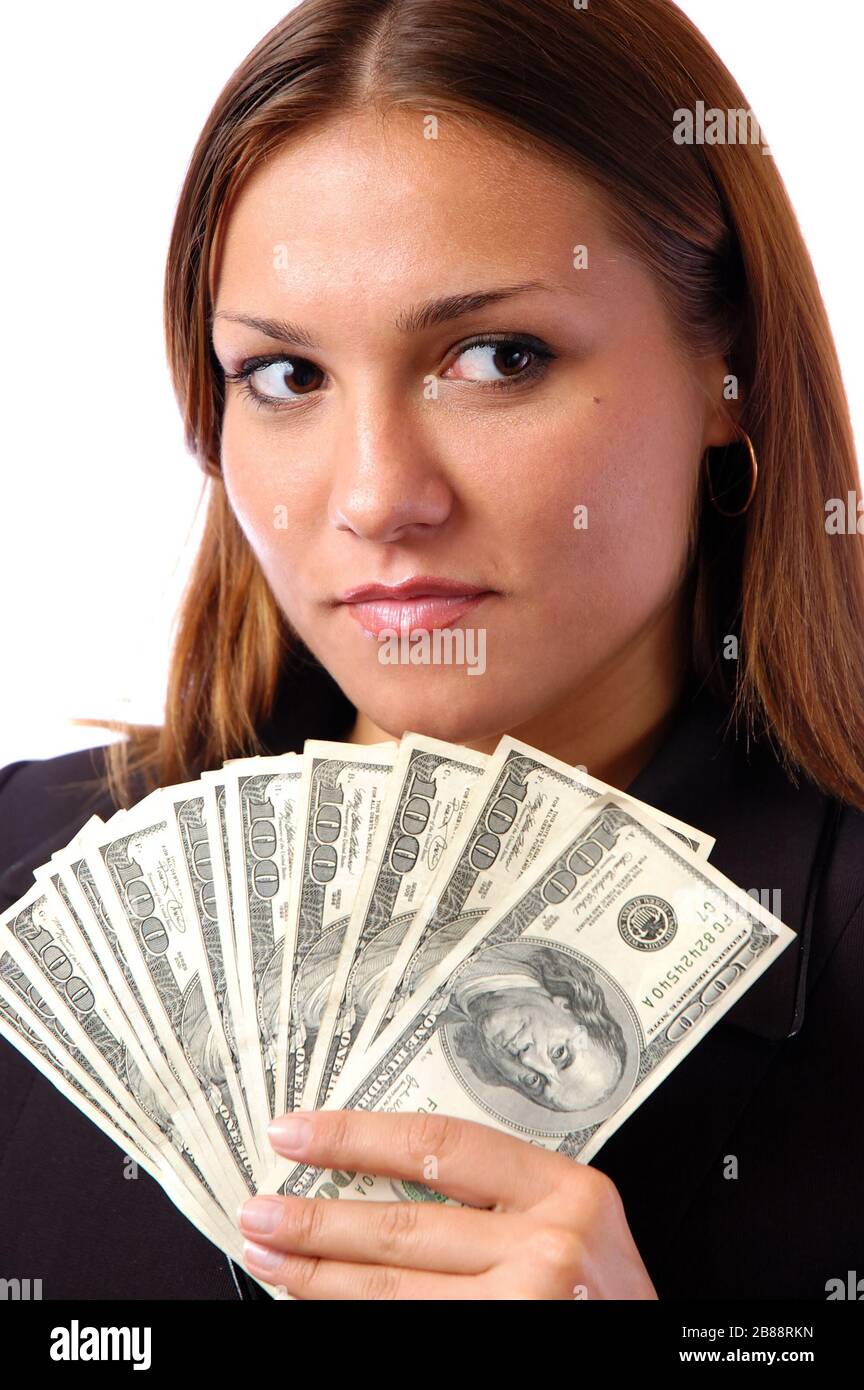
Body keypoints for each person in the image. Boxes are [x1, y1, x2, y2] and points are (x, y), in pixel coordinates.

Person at [1, 0, 862, 1301]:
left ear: (726, 374)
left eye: (494, 356)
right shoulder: (25, 873)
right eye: (286, 376)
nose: (376, 496)